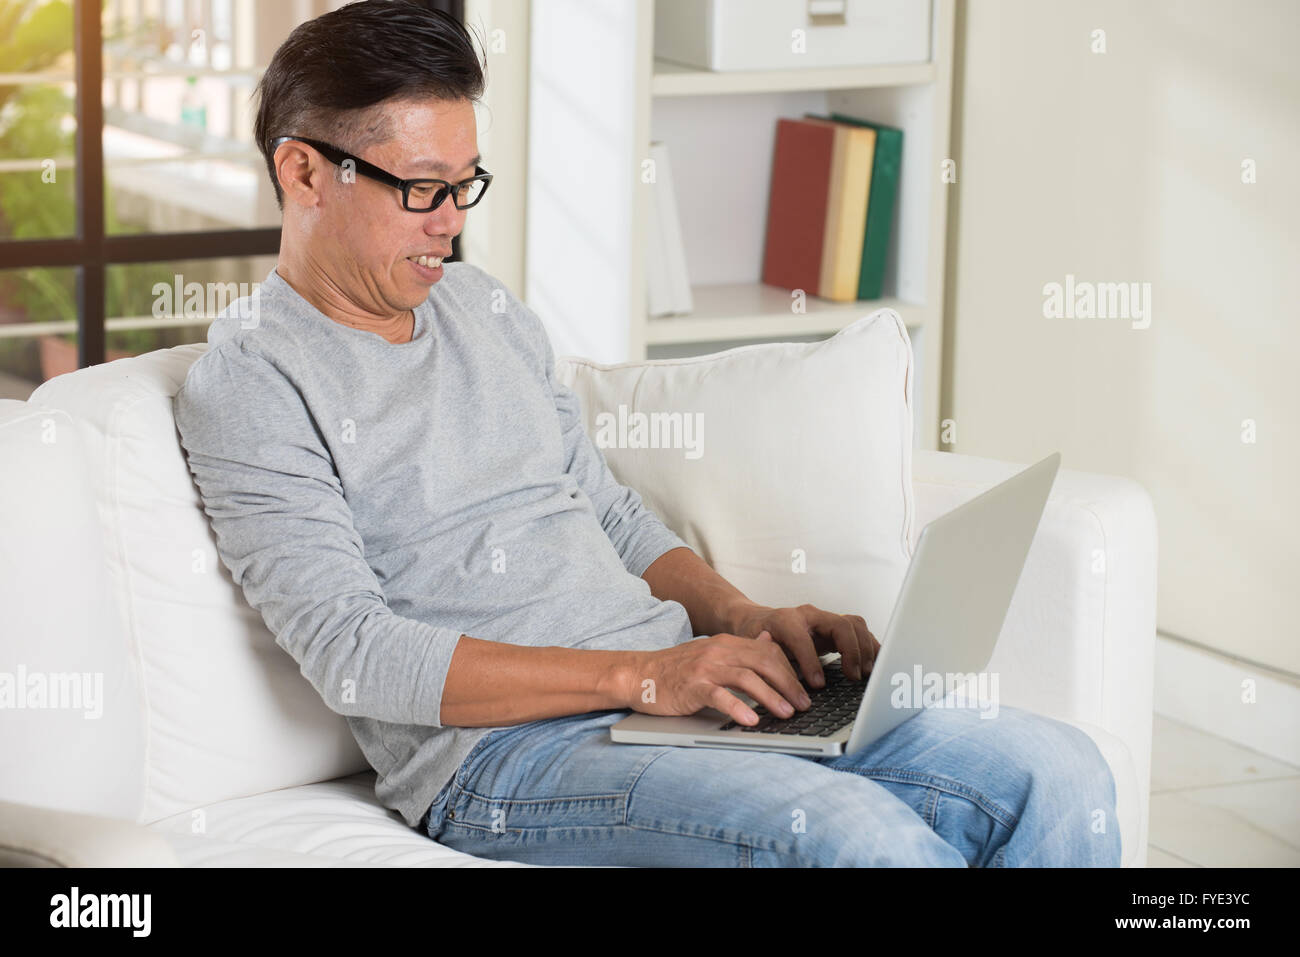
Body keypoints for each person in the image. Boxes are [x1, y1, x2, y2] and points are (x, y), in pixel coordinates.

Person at [174, 0, 1121, 867]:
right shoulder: (254, 382)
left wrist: (744, 619)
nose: (452, 225)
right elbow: (355, 652)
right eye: (423, 189)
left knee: (1057, 771)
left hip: (674, 705)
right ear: (304, 171)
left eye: (468, 185)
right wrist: (646, 676)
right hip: (505, 760)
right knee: (849, 837)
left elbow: (612, 516)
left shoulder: (484, 309)